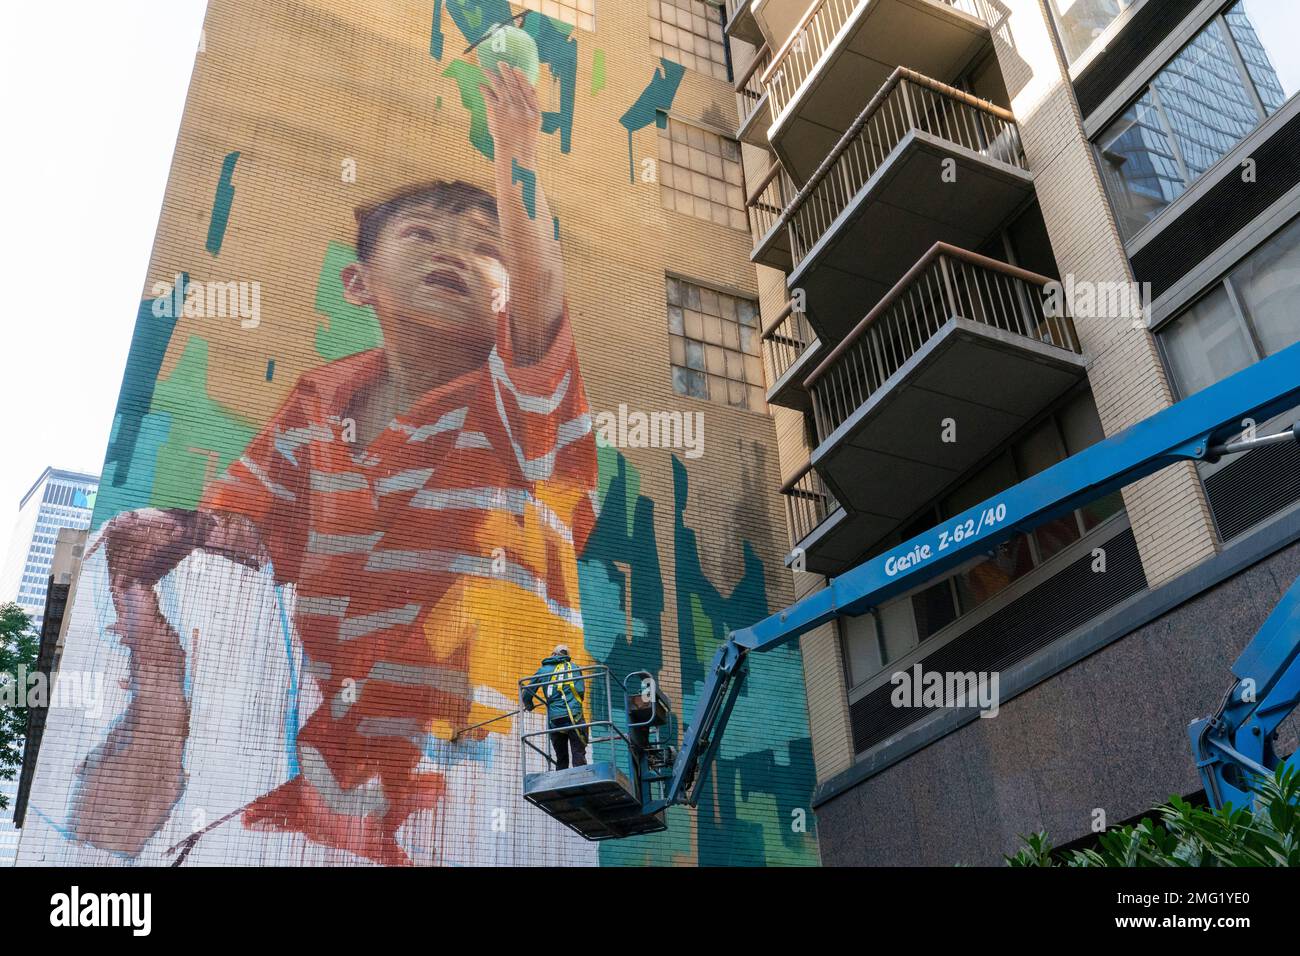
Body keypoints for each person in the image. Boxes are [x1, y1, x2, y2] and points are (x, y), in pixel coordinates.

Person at [68, 63, 597, 866]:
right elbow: (232, 534)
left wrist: (517, 146)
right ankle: (128, 808)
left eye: (487, 249)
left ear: (509, 297)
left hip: (500, 752)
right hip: (332, 755)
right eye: (422, 234)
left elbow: (543, 280)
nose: (454, 250)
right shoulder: (319, 404)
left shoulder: (524, 402)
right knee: (137, 540)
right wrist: (166, 552)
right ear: (358, 283)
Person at [523, 644, 588, 770]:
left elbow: (527, 693)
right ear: (567, 656)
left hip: (555, 719)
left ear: (553, 654)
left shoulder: (543, 670)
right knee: (578, 753)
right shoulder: (574, 667)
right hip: (574, 716)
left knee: (561, 757)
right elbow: (580, 691)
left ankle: (561, 777)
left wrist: (529, 705)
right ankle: (580, 777)